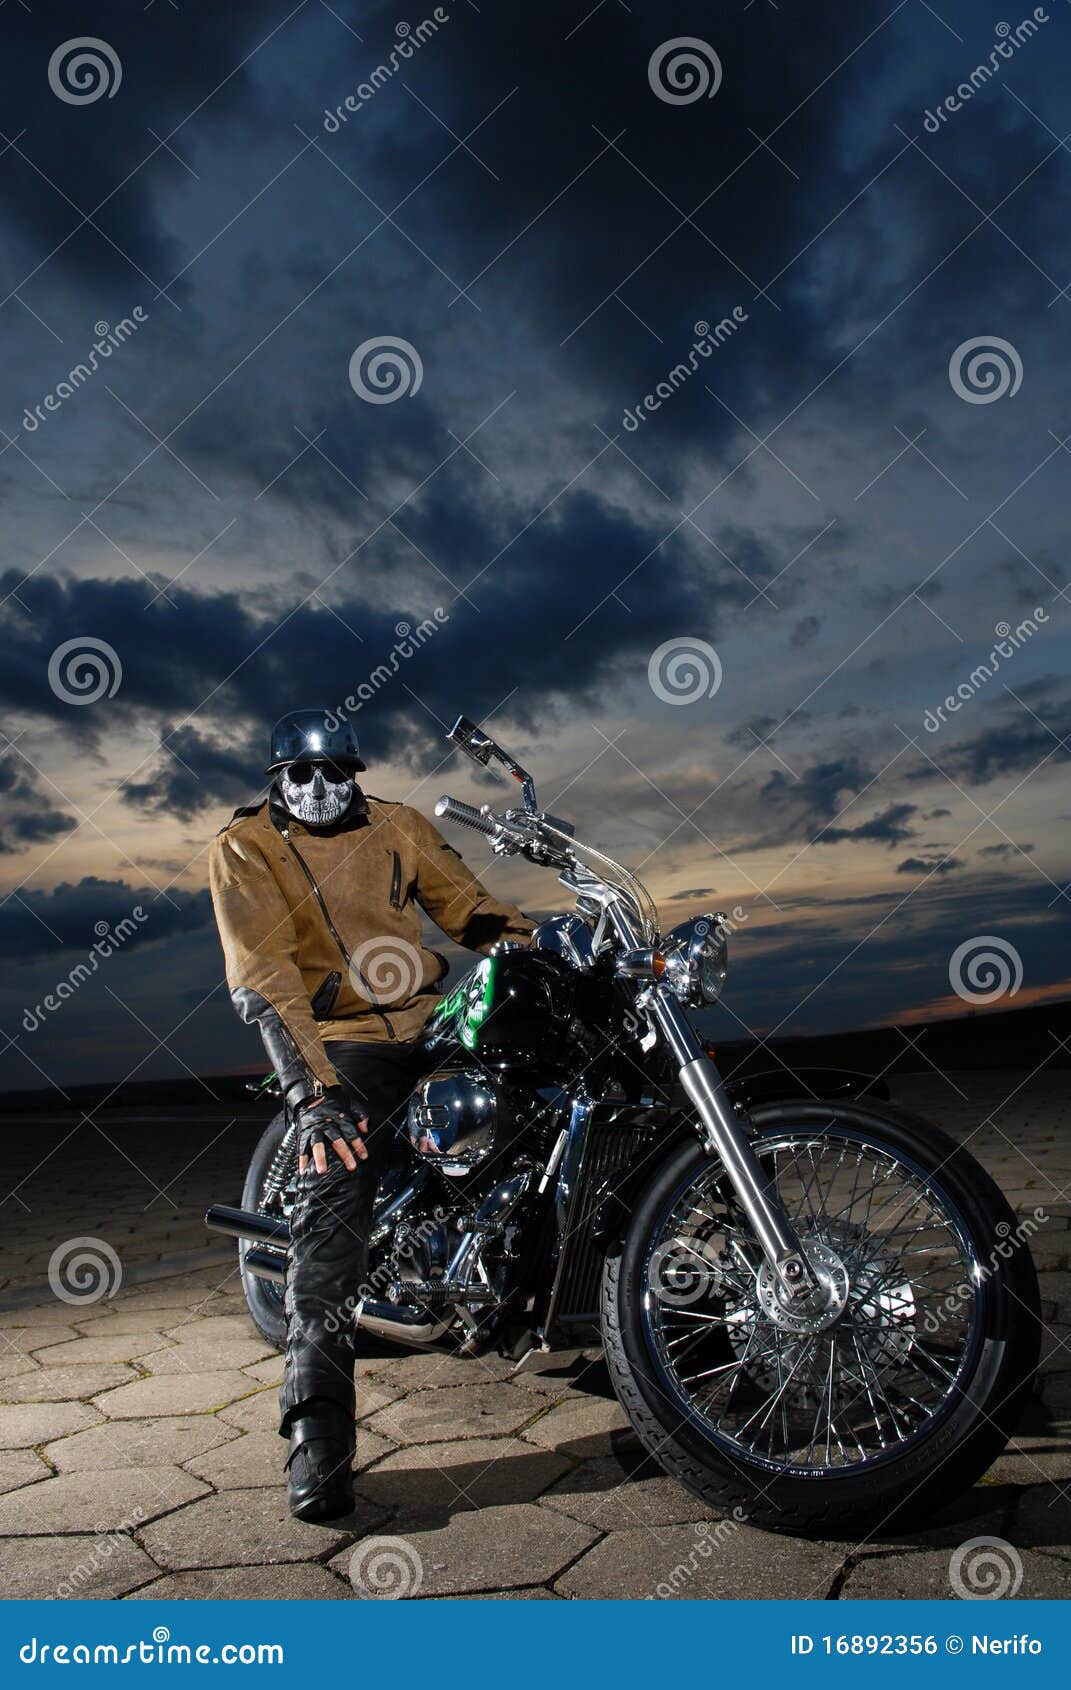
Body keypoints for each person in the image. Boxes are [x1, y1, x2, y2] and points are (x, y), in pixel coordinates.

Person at [209, 710, 533, 1521]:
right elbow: (264, 975)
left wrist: (524, 947)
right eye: (302, 777)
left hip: (428, 1018)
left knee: (543, 1096)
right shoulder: (245, 848)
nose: (321, 790)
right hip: (342, 1040)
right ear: (277, 783)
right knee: (336, 1186)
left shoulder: (397, 824)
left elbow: (468, 908)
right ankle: (317, 1433)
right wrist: (311, 1096)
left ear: (357, 773)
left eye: (337, 773)